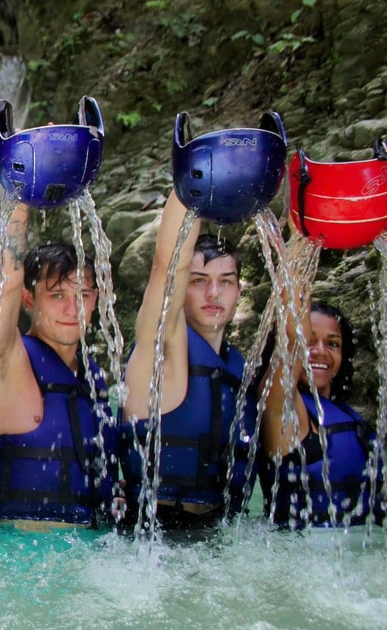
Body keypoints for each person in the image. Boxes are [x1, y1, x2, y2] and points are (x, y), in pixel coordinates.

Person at [0, 202, 123, 529]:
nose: (72, 309)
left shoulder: (93, 378)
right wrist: (21, 198)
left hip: (92, 548)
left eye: (82, 295)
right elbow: (3, 288)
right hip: (18, 551)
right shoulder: (7, 364)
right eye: (57, 296)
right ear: (29, 300)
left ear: (96, 299)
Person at [121, 192, 254, 529]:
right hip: (155, 534)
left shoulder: (241, 370)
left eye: (226, 282)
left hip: (219, 535)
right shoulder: (160, 351)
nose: (214, 293)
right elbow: (167, 266)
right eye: (199, 281)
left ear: (239, 292)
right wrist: (189, 186)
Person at [261, 299, 381, 528]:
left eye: (332, 344)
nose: (320, 351)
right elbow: (289, 340)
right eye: (308, 341)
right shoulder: (283, 408)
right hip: (301, 547)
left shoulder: (347, 415)